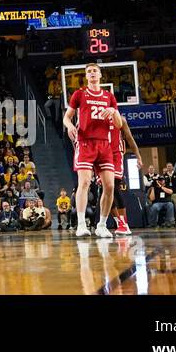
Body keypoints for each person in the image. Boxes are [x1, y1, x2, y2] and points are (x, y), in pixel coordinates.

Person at [63, 64, 120, 238]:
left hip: (104, 144)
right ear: (86, 76)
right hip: (85, 142)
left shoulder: (109, 96)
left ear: (100, 74)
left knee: (110, 186)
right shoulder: (79, 94)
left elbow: (118, 124)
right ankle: (81, 224)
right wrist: (70, 126)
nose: (92, 73)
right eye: (89, 71)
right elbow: (67, 117)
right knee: (85, 183)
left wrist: (113, 111)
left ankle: (101, 225)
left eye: (95, 70)